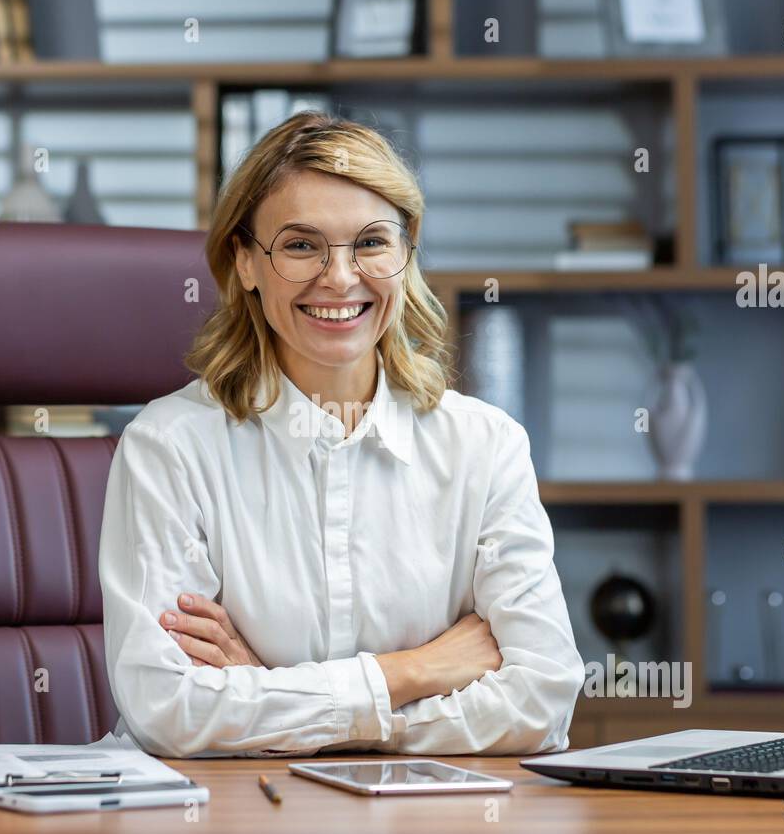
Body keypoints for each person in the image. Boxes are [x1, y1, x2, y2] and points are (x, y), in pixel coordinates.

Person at [99, 111, 584, 758]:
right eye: (301, 246)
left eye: (371, 243)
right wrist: (410, 673)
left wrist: (272, 695)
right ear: (245, 261)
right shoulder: (171, 446)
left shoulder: (484, 446)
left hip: (422, 825)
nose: (339, 277)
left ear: (406, 252)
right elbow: (169, 710)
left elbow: (543, 700)